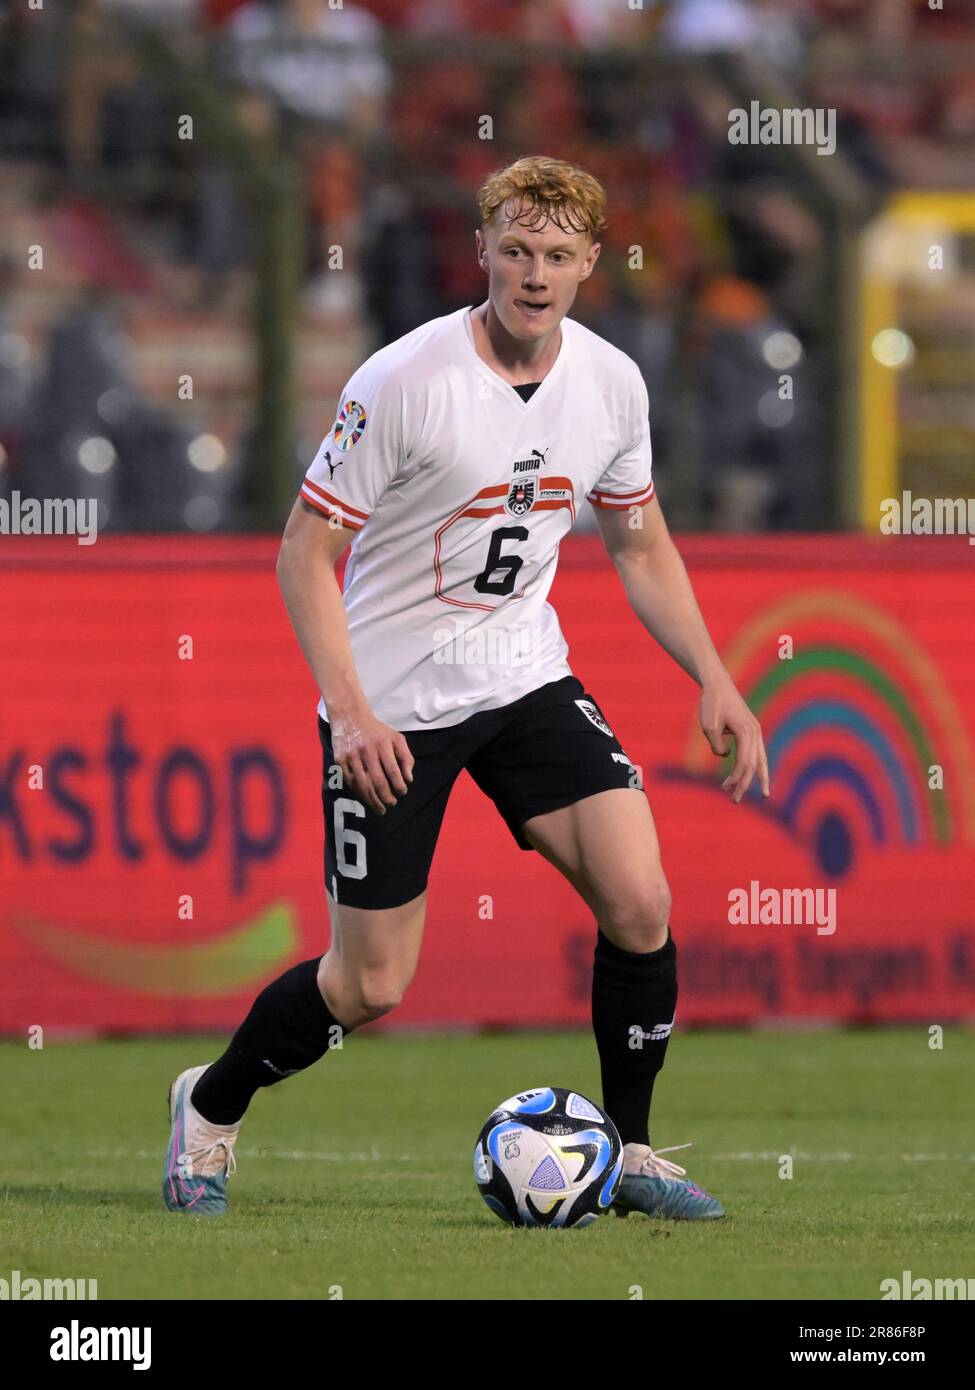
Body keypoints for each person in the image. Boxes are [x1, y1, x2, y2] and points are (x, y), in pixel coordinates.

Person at [163, 155, 769, 1222]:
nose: (534, 274)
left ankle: (625, 1152)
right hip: (393, 704)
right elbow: (305, 552)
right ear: (483, 251)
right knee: (370, 987)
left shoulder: (612, 383)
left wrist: (714, 675)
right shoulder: (403, 381)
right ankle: (208, 1109)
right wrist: (349, 710)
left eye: (558, 256)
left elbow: (637, 541)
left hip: (525, 672)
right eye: (516, 250)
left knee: (641, 899)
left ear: (591, 265)